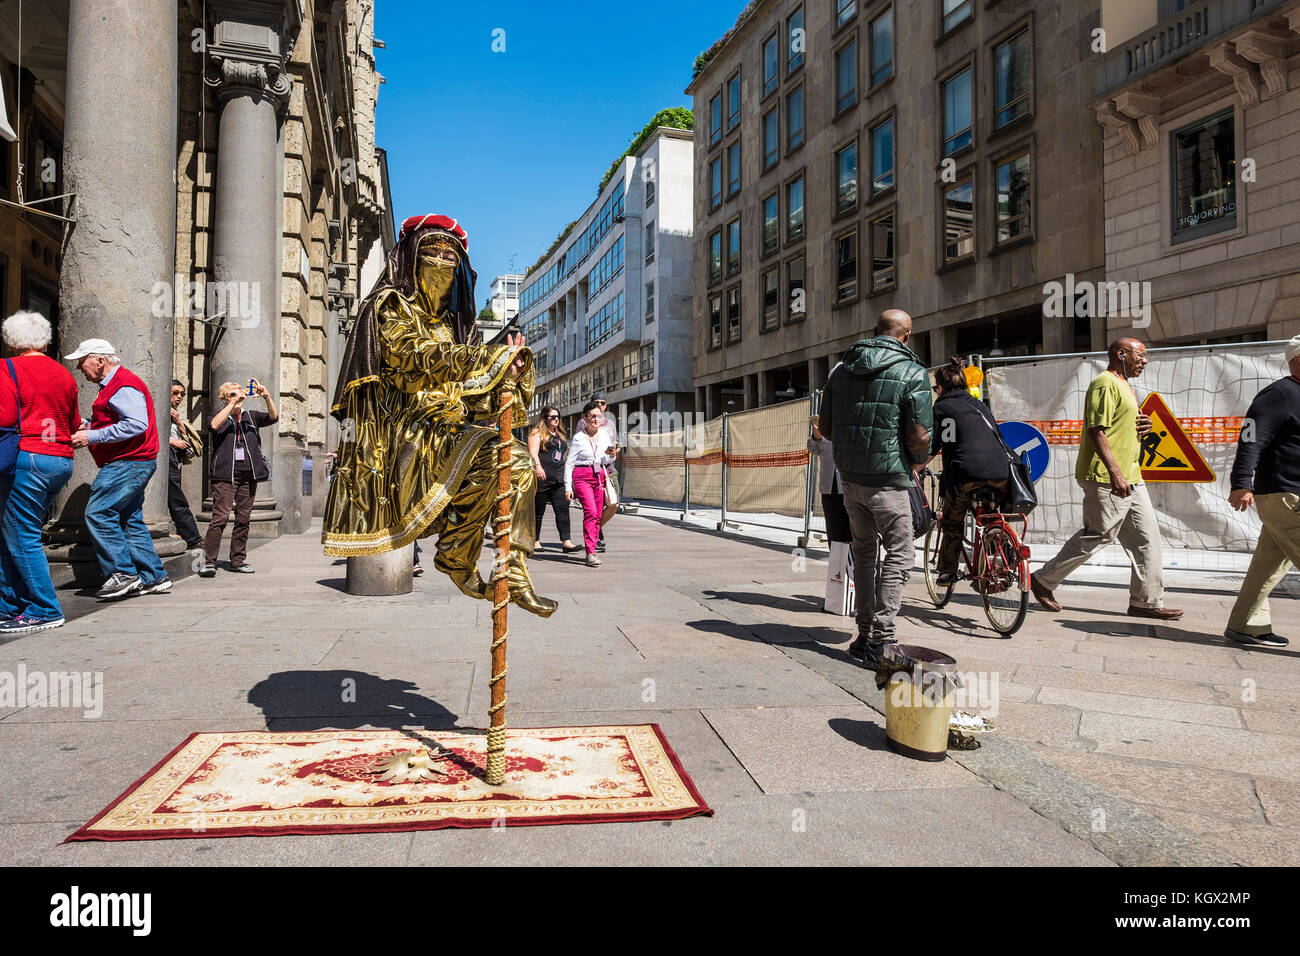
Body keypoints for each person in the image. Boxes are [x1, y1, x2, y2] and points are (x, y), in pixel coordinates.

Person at [322, 214, 556, 617]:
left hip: (448, 435)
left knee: (514, 461)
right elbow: (410, 356)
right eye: (432, 253)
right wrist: (485, 358)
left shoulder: (453, 330)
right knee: (510, 459)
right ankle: (459, 553)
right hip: (405, 439)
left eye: (451, 257)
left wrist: (507, 377)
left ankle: (503, 567)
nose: (442, 263)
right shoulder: (390, 306)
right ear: (412, 257)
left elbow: (471, 397)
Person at [1030, 338, 1182, 619]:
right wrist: (1114, 473)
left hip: (1132, 476)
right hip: (1107, 477)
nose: (1145, 361)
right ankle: (1043, 579)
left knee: (1147, 539)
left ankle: (1145, 602)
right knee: (1099, 534)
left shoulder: (1124, 384)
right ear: (1121, 354)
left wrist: (1143, 424)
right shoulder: (1105, 383)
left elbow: (1118, 426)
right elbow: (1096, 431)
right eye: (1141, 356)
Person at [819, 309, 933, 667]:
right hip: (890, 481)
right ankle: (882, 637)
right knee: (900, 555)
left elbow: (826, 428)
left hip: (851, 480)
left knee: (865, 554)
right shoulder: (912, 371)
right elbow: (918, 436)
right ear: (907, 336)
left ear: (874, 331)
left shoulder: (841, 371)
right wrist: (919, 460)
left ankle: (864, 632)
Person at [65, 339, 171, 600]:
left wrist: (91, 436)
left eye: (82, 361)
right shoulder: (116, 384)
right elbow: (118, 418)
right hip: (134, 461)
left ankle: (123, 574)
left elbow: (136, 423)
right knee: (129, 520)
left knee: (99, 513)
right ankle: (153, 576)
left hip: (128, 462)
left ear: (99, 360)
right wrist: (91, 425)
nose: (80, 367)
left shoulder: (122, 383)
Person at [0, 311, 81, 633]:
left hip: (27, 457)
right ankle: (10, 605)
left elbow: (4, 415)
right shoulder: (63, 374)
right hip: (60, 459)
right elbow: (74, 423)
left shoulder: (7, 369)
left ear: (9, 341)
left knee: (22, 535)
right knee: (13, 532)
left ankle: (45, 608)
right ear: (46, 341)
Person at [1222, 335, 1300, 647]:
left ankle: (1246, 626)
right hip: (1285, 495)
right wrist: (1242, 482)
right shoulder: (1279, 394)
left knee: (1267, 565)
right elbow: (1251, 437)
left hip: (1288, 495)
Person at [926, 358, 1011, 585]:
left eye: (936, 388)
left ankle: (947, 572)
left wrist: (917, 466)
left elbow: (937, 445)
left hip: (965, 475)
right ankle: (1003, 562)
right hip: (1001, 472)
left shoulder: (942, 407)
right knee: (992, 519)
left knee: (953, 522)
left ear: (942, 387)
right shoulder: (980, 405)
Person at [199, 380, 277, 576]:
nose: (238, 397)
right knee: (220, 517)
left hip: (249, 475)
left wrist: (267, 397)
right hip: (225, 475)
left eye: (239, 393)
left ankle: (238, 560)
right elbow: (214, 425)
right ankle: (208, 561)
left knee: (244, 519)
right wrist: (232, 404)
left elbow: (273, 417)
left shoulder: (251, 417)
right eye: (232, 394)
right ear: (223, 398)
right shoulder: (220, 417)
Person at [565, 400, 616, 567]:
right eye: (592, 416)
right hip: (582, 476)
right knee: (591, 512)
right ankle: (590, 553)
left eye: (598, 416)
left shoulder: (605, 435)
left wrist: (611, 454)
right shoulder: (579, 438)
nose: (596, 419)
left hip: (600, 474)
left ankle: (592, 548)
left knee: (598, 515)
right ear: (585, 418)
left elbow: (607, 459)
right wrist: (568, 486)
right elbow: (569, 463)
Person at [529, 404, 576, 552]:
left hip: (558, 477)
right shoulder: (537, 432)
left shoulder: (559, 434)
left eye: (558, 417)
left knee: (562, 510)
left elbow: (561, 454)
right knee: (538, 511)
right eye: (553, 417)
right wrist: (538, 466)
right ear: (545, 418)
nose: (556, 419)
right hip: (542, 476)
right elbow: (532, 452)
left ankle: (566, 541)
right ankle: (535, 541)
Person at [167, 379, 204, 550]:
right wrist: (173, 442)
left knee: (175, 497)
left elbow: (188, 440)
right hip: (165, 456)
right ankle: (193, 538)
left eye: (182, 394)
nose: (179, 397)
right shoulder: (158, 411)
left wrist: (179, 422)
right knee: (177, 499)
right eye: (175, 393)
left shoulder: (175, 415)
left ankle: (190, 536)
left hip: (174, 457)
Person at [808, 412, 850, 544]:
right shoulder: (825, 428)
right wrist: (816, 436)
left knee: (852, 530)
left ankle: (853, 562)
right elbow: (813, 449)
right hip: (829, 488)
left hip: (850, 486)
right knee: (833, 530)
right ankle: (837, 561)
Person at [594, 396, 620, 553]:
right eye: (596, 403)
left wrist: (613, 450)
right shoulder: (584, 422)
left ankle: (595, 529)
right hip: (593, 470)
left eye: (602, 403)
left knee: (614, 504)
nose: (599, 405)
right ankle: (596, 536)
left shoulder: (610, 423)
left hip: (609, 469)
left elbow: (616, 444)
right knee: (595, 507)